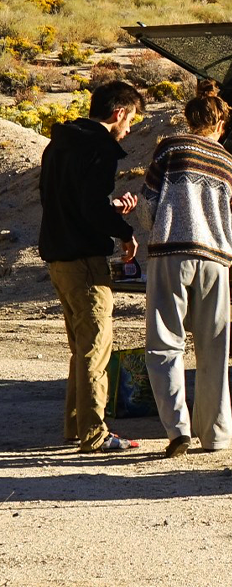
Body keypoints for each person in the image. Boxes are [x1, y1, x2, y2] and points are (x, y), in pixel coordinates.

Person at [38, 80, 145, 452]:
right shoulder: (100, 148)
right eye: (130, 120)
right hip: (84, 260)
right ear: (118, 113)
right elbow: (90, 206)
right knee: (96, 346)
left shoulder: (58, 144)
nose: (128, 129)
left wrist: (108, 211)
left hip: (57, 255)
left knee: (80, 346)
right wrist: (124, 231)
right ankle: (95, 434)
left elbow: (69, 200)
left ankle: (76, 426)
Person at [142, 81, 232, 458]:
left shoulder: (171, 148)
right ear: (221, 124)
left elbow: (148, 204)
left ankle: (177, 430)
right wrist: (228, 254)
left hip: (171, 253)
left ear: (190, 117)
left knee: (166, 343)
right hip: (216, 260)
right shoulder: (231, 164)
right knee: (214, 348)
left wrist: (156, 229)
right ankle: (216, 435)